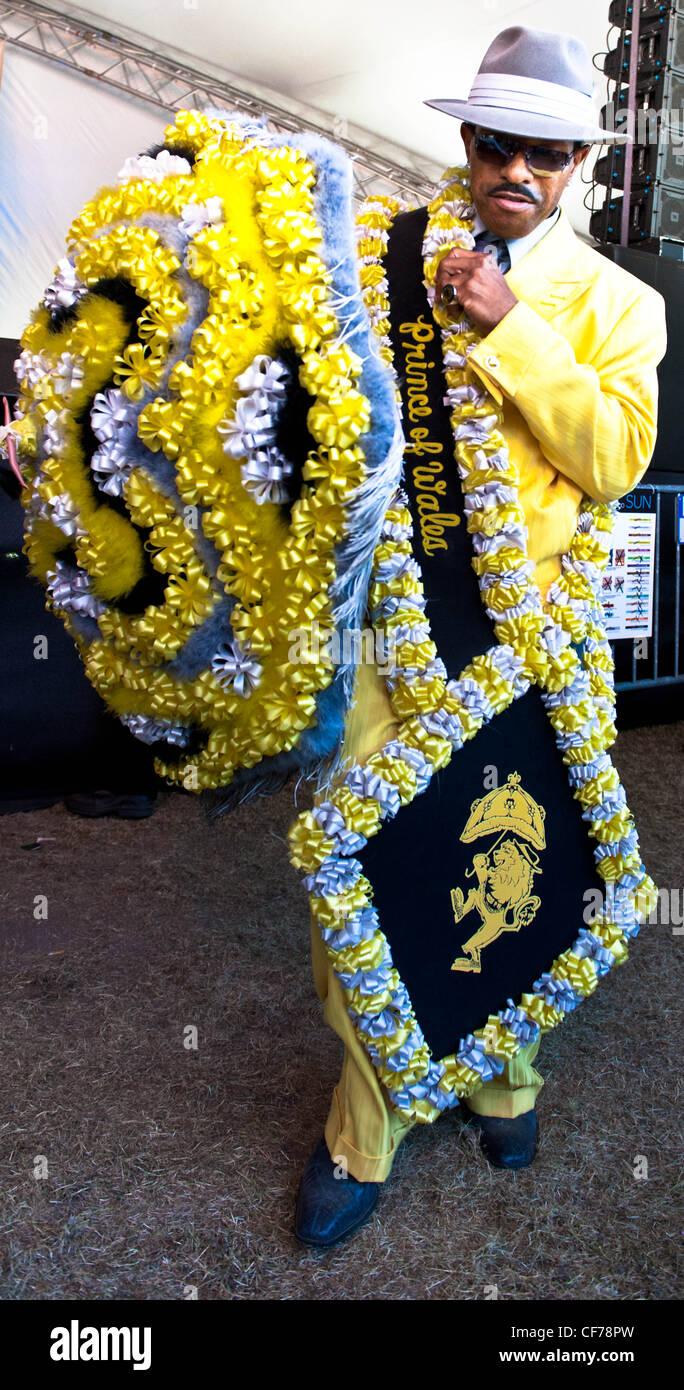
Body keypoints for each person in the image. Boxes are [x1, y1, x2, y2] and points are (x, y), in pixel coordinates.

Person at [294, 26, 668, 1248]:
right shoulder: (382, 261)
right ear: (466, 143)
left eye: (545, 152)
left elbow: (612, 455)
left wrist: (511, 327)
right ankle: (367, 1127)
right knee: (362, 880)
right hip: (392, 647)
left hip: (536, 645)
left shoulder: (622, 303)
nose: (518, 168)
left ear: (578, 165)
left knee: (526, 876)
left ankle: (506, 1078)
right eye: (496, 143)